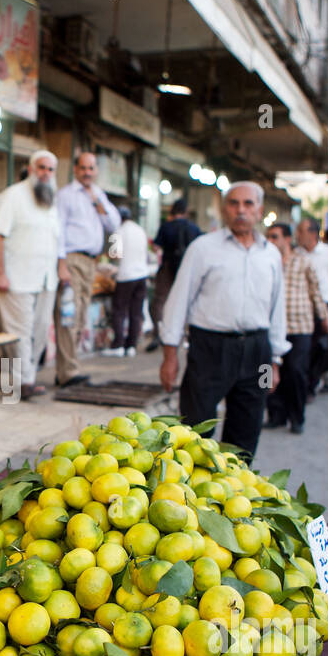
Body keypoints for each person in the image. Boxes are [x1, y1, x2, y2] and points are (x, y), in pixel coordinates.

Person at [158, 181, 287, 456]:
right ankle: (188, 495)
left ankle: (236, 495)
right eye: (234, 203)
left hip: (259, 353)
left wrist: (275, 361)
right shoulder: (203, 248)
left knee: (249, 427)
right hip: (208, 349)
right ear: (225, 209)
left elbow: (277, 310)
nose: (241, 210)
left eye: (248, 204)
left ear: (260, 210)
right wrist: (170, 356)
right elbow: (178, 300)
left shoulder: (272, 255)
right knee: (195, 429)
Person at [0, 150, 70, 400]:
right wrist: (0, 273)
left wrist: (62, 266)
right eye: (41, 168)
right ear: (31, 169)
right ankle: (21, 382)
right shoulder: (13, 195)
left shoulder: (52, 202)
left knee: (39, 330)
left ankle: (29, 377)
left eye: (50, 169)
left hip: (45, 278)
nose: (46, 173)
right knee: (19, 332)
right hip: (15, 278)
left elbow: (59, 240)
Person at [53, 152, 119, 387]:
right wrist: (61, 264)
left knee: (79, 317)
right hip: (71, 260)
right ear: (75, 169)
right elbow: (58, 230)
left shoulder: (97, 195)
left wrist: (97, 202)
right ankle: (68, 372)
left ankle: (66, 368)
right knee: (69, 315)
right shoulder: (66, 195)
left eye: (92, 168)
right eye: (83, 168)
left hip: (91, 263)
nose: (88, 173)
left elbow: (114, 223)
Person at [265, 222, 328, 434]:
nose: (271, 242)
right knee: (266, 373)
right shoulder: (265, 262)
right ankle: (274, 415)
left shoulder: (303, 262)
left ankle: (296, 417)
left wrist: (325, 317)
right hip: (270, 328)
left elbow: (316, 292)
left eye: (275, 237)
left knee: (295, 372)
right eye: (268, 237)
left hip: (299, 326)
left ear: (287, 239)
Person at [296, 218, 328, 393]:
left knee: (321, 348)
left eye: (300, 231)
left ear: (312, 233)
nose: (297, 235)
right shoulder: (296, 253)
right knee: (305, 349)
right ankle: (305, 385)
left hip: (326, 305)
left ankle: (316, 382)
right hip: (303, 307)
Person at [147, 200, 202, 351]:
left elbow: (156, 246)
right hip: (187, 269)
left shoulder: (166, 226)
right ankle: (186, 335)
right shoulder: (193, 228)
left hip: (167, 267)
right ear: (185, 211)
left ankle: (159, 333)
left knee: (160, 301)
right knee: (187, 301)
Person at [102, 205, 152, 357]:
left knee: (119, 311)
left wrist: (108, 258)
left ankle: (118, 344)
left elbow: (115, 255)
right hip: (142, 275)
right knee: (136, 312)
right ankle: (131, 345)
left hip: (125, 275)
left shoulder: (118, 231)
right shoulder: (140, 230)